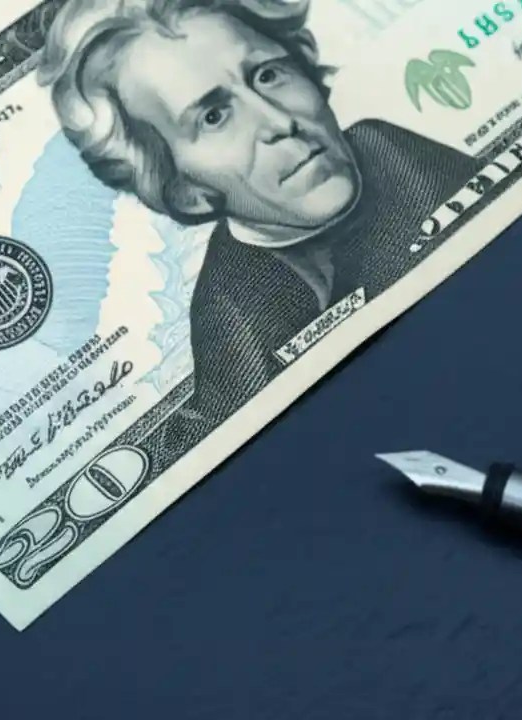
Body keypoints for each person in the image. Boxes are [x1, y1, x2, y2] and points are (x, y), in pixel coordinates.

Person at [40, 0, 481, 428]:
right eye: (214, 116)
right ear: (186, 192)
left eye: (268, 75)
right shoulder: (233, 325)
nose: (278, 121)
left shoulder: (391, 151)